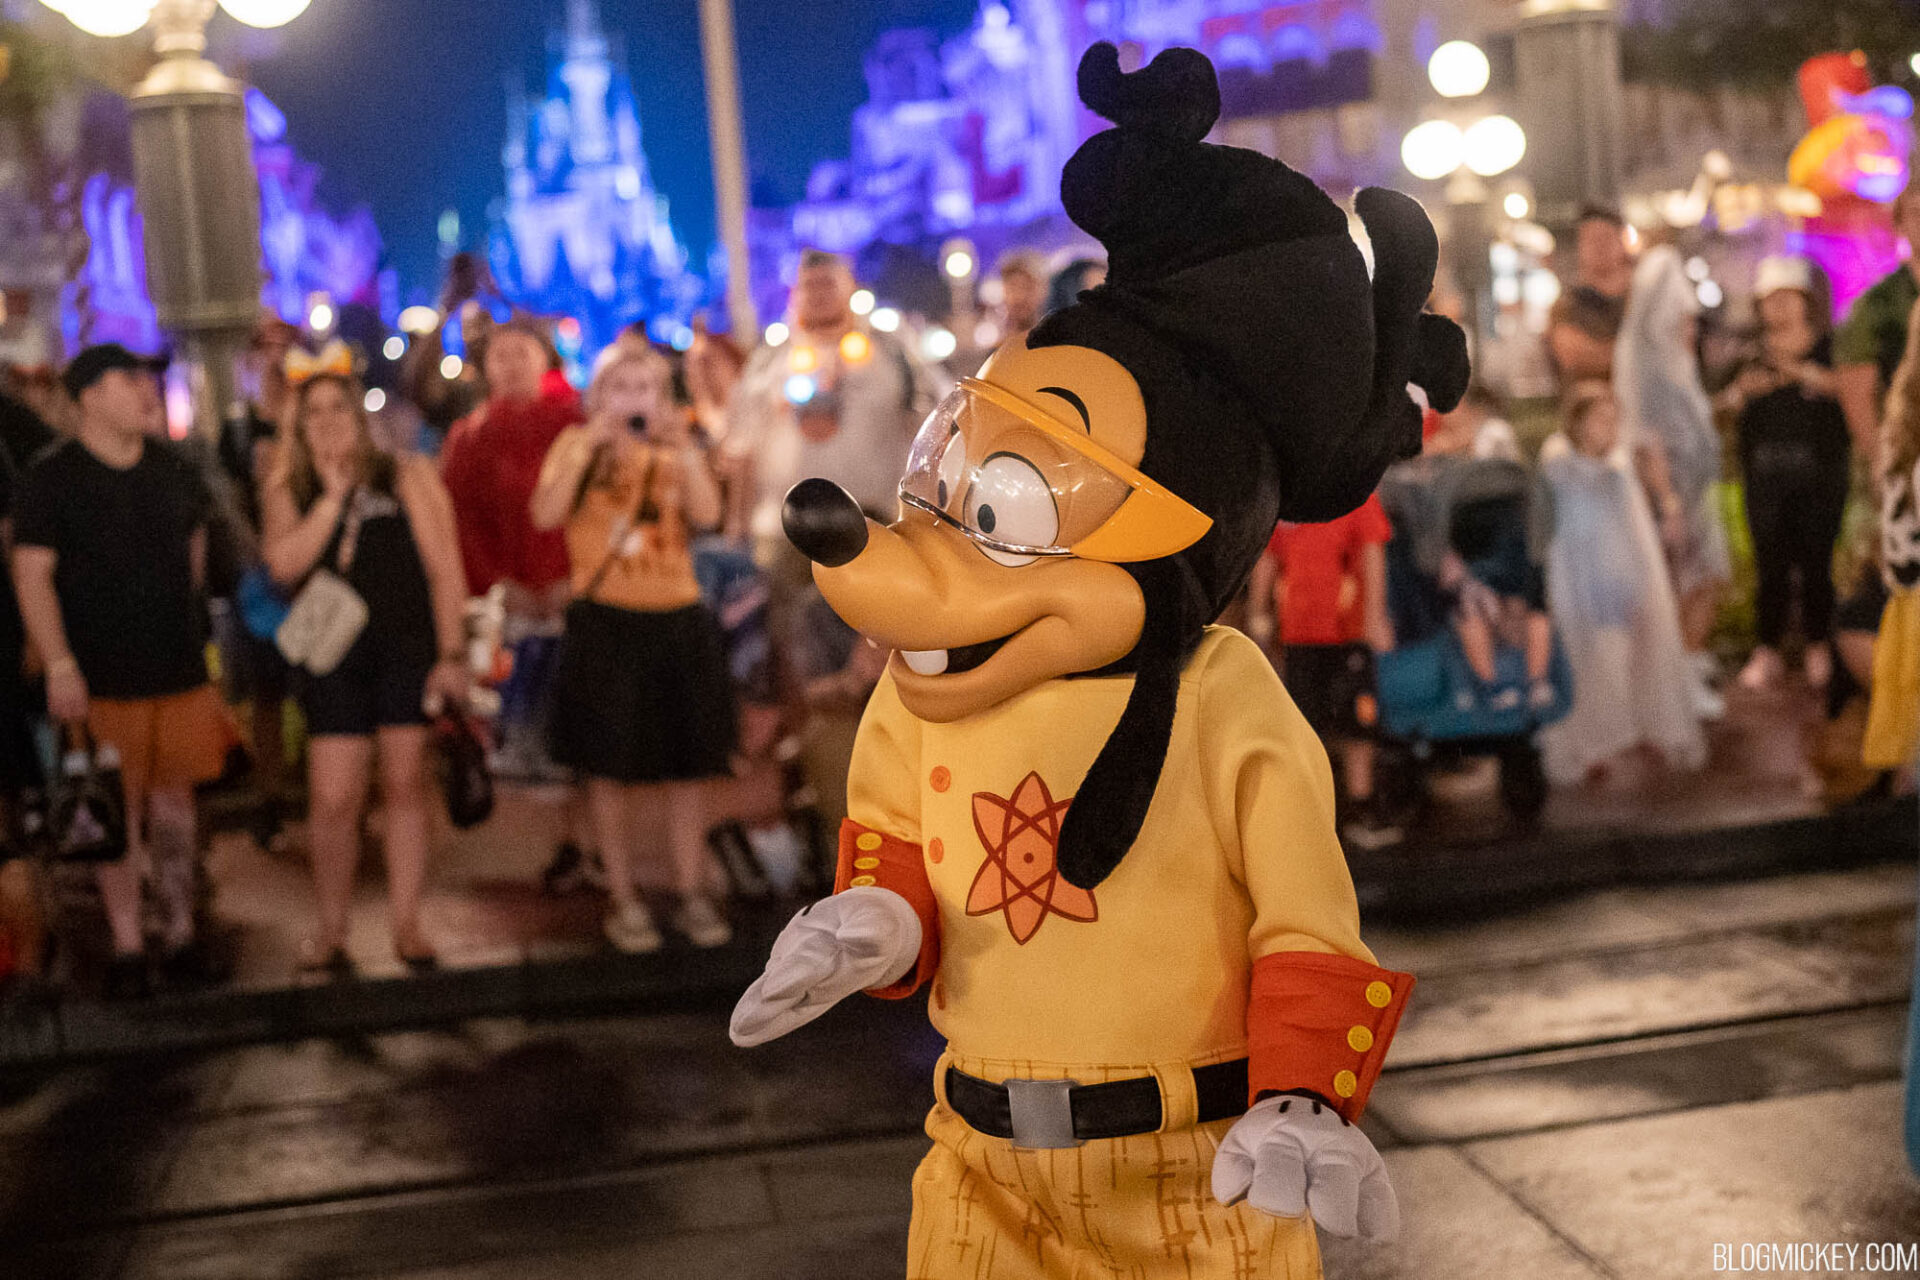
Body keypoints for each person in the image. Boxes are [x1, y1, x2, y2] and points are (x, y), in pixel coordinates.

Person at [11, 345, 237, 998]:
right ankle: (130, 943)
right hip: (100, 674)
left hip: (177, 668)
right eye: (127, 379)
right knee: (115, 809)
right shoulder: (51, 481)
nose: (145, 391)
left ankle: (181, 929)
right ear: (87, 395)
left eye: (147, 379)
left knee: (174, 808)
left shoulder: (173, 471)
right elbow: (33, 576)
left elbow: (194, 565)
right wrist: (58, 665)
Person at [259, 368, 470, 975]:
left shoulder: (406, 473)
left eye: (338, 409)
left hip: (404, 648)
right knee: (332, 797)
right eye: (313, 413)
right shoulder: (287, 487)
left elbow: (444, 569)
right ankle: (331, 928)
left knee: (404, 786)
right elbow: (283, 564)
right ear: (297, 426)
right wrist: (329, 498)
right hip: (333, 657)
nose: (327, 423)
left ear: (360, 415)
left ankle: (407, 923)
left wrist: (451, 656)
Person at [530, 345, 736, 951]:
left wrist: (685, 451)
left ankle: (691, 891)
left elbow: (709, 513)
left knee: (687, 768)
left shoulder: (676, 446)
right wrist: (592, 444)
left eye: (645, 386)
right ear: (599, 395)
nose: (633, 398)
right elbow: (544, 513)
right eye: (619, 385)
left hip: (678, 614)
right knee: (610, 767)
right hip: (606, 620)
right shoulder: (576, 446)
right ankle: (623, 897)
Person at [439, 317, 596, 879]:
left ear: (544, 359)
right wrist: (499, 585)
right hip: (511, 598)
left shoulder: (577, 423)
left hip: (576, 590)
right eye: (498, 355)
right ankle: (560, 846)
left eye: (521, 353)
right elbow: (460, 523)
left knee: (580, 726)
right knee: (529, 731)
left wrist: (572, 578)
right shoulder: (470, 436)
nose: (510, 365)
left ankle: (591, 843)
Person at [1539, 381, 1705, 785]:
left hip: (1624, 581)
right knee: (1590, 665)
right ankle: (1592, 744)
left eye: (1614, 420)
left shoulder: (1620, 470)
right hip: (1582, 586)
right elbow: (1563, 535)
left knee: (1634, 660)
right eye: (1600, 420)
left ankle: (1640, 727)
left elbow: (1636, 532)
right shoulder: (1559, 467)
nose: (1609, 429)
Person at [1718, 255, 1850, 691]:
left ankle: (1818, 646)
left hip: (1820, 477)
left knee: (1817, 563)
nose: (1780, 308)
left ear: (1805, 302)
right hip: (1765, 480)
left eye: (1788, 298)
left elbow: (1850, 393)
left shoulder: (1831, 350)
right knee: (1769, 566)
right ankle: (1767, 648)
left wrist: (1799, 373)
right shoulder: (1748, 357)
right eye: (1771, 300)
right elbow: (1719, 406)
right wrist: (1741, 393)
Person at [1614, 241, 1731, 718]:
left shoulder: (1677, 366)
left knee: (1703, 580)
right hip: (1675, 493)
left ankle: (1688, 666)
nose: (1689, 326)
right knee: (1689, 581)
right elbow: (1649, 438)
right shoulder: (1652, 367)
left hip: (1694, 487)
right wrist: (1668, 501)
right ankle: (1680, 677)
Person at [1247, 494, 1399, 848]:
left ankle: (1362, 807)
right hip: (1299, 633)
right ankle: (1311, 813)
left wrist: (1374, 618)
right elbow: (1268, 557)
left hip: (1348, 632)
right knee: (1303, 724)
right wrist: (1258, 613)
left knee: (1357, 722)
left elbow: (1374, 554)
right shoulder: (1288, 504)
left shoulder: (1358, 495)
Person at [1836, 188, 1920, 461]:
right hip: (1908, 453)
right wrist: (1881, 462)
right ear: (1900, 223)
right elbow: (1857, 388)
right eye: (1916, 212)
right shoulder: (1876, 304)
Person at [1546, 205, 1634, 386]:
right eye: (1590, 239)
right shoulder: (1566, 306)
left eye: (1605, 238)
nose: (1599, 247)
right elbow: (1573, 356)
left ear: (1621, 241)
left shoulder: (1642, 299)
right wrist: (1634, 351)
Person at [991, 249, 1048, 347]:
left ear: (1042, 291)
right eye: (1013, 287)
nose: (1020, 296)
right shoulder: (996, 353)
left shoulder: (1056, 347)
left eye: (1027, 287)